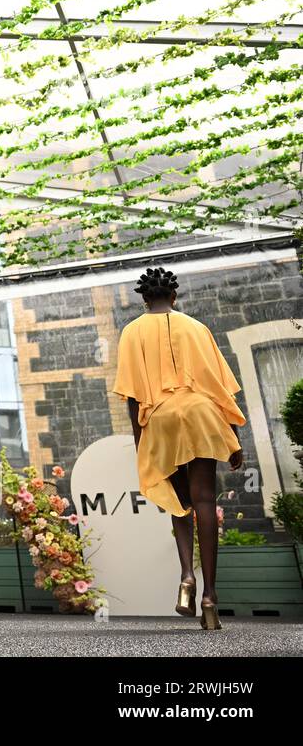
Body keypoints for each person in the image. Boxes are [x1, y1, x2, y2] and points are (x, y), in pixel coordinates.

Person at [111, 266, 246, 630]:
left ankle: (187, 575)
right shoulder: (196, 328)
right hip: (202, 413)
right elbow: (219, 387)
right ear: (174, 297)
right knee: (204, 500)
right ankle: (210, 597)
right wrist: (233, 437)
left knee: (179, 500)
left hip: (160, 419)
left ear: (144, 300)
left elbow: (133, 394)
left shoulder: (131, 332)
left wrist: (142, 443)